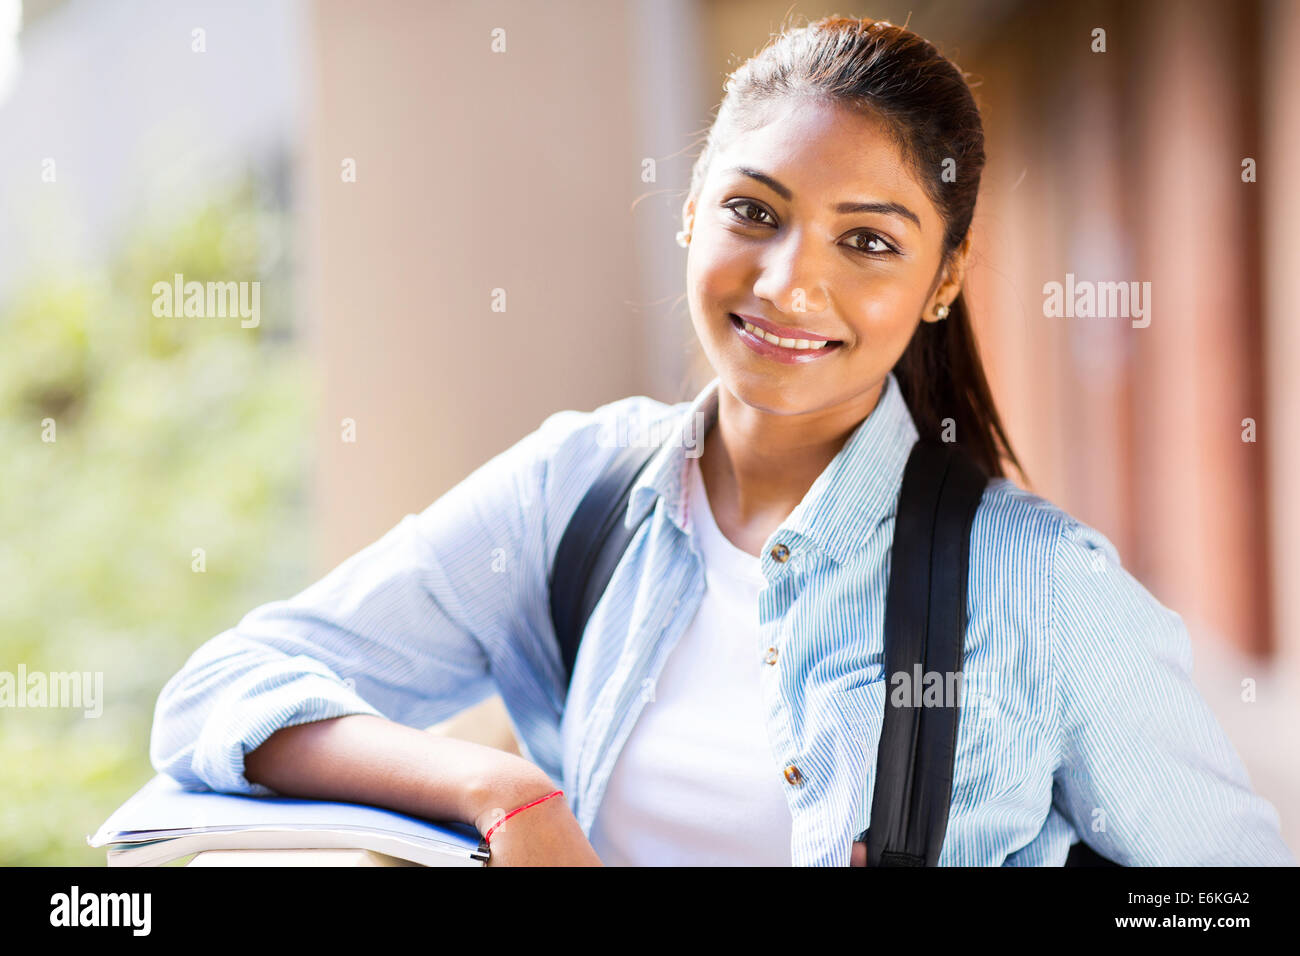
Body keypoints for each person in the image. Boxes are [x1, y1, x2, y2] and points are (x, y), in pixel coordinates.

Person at [149, 15, 1294, 867]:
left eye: (868, 241)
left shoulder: (1041, 586)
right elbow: (221, 690)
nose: (793, 284)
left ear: (943, 280)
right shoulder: (576, 492)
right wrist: (501, 791)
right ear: (692, 209)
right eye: (755, 211)